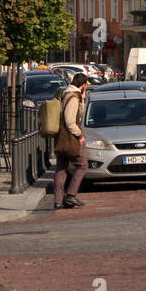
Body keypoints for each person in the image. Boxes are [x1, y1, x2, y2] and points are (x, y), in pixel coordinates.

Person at [53, 74, 91, 210]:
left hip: (61, 138)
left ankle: (58, 200)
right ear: (84, 85)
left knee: (61, 168)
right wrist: (79, 135)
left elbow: (79, 111)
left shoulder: (67, 94)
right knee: (83, 164)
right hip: (69, 138)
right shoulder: (73, 98)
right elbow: (70, 121)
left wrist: (83, 97)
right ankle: (70, 194)